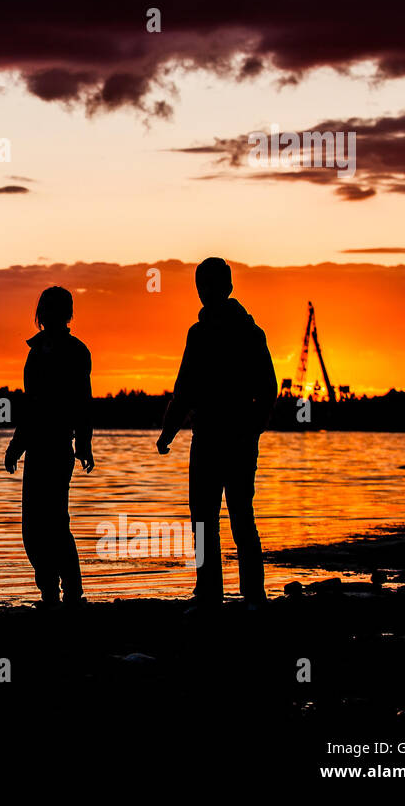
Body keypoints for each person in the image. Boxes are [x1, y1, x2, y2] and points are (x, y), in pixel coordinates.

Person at [156, 258, 277, 611]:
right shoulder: (201, 333)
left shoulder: (248, 333)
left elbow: (267, 389)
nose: (203, 291)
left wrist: (253, 428)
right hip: (208, 437)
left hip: (233, 438)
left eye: (208, 284)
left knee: (239, 516)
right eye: (200, 285)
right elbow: (185, 390)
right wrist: (168, 433)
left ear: (225, 287)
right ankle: (210, 593)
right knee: (206, 518)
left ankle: (252, 595)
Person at [4, 286, 94, 609]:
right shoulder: (36, 352)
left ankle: (69, 592)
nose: (49, 317)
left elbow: (84, 403)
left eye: (55, 310)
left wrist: (84, 443)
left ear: (65, 315)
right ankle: (49, 590)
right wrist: (17, 446)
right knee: (33, 527)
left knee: (54, 523)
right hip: (37, 449)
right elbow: (30, 407)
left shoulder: (76, 352)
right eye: (46, 311)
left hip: (57, 448)